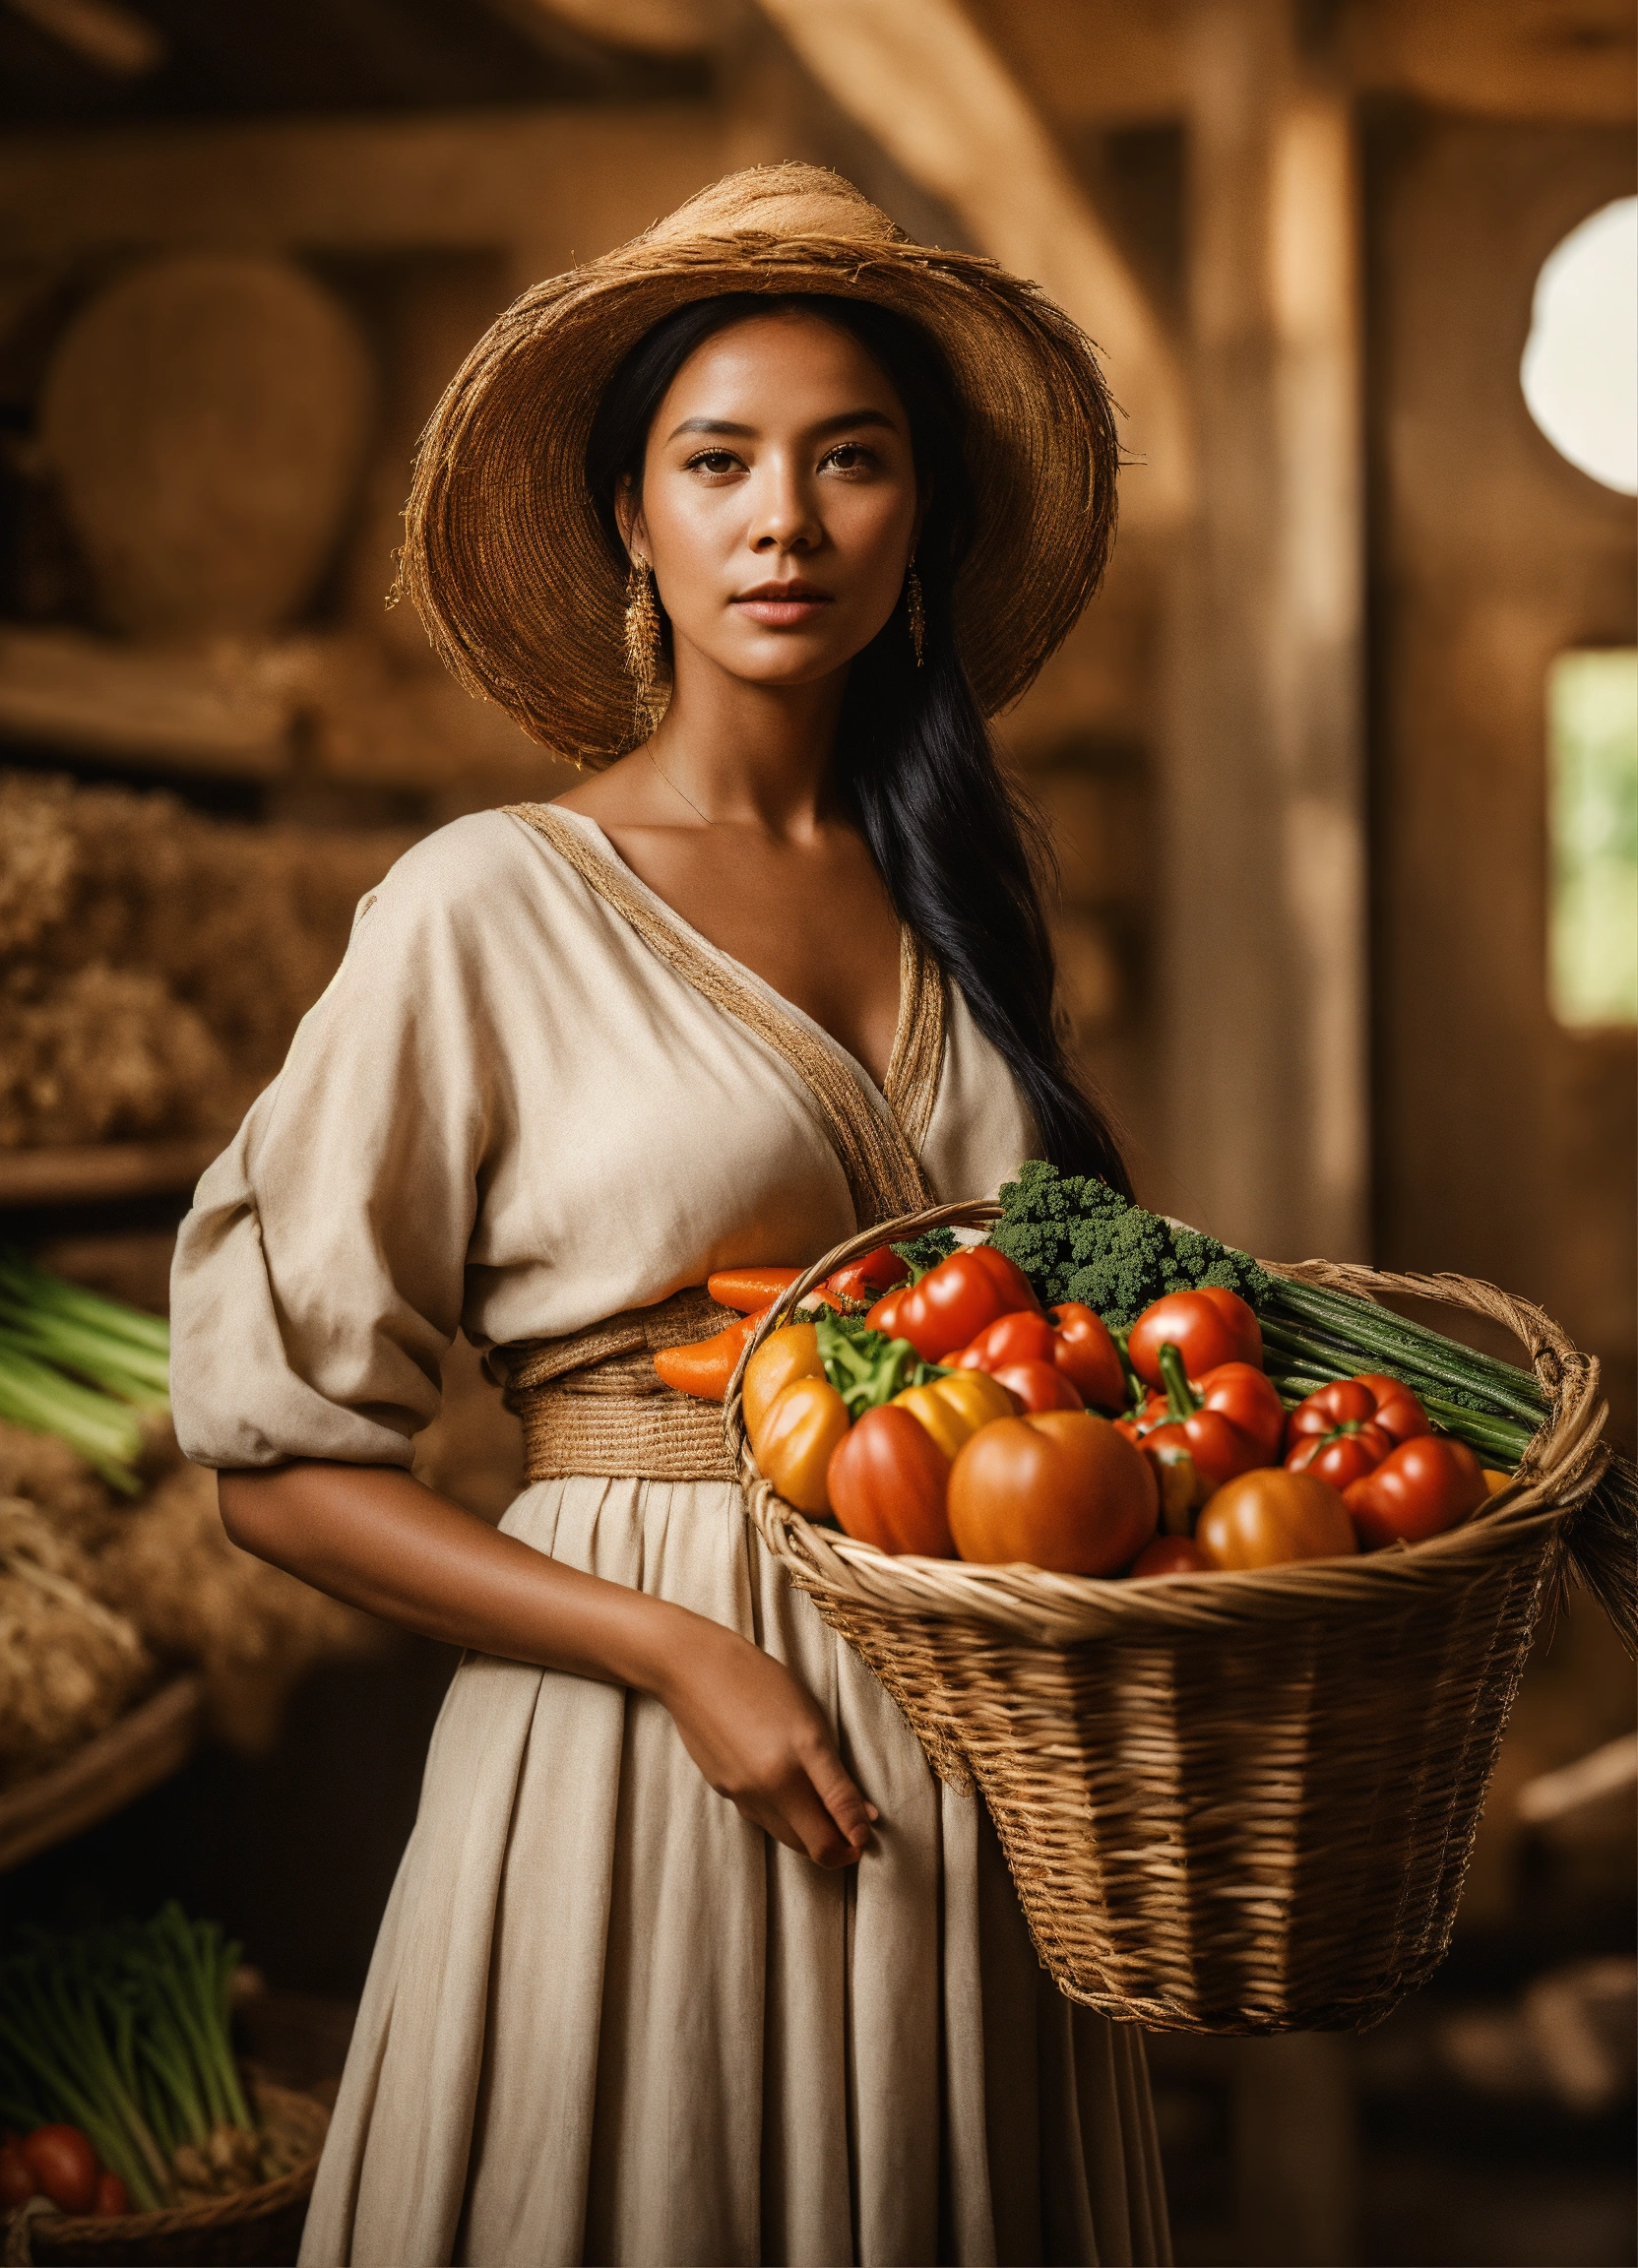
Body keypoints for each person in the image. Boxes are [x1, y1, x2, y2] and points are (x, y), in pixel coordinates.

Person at [169, 164, 1169, 2267]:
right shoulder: (485, 905)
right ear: (634, 514)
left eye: (849, 461)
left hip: (976, 1751)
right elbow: (273, 1468)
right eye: (716, 461)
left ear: (923, 522)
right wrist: (671, 1652)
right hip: (638, 1759)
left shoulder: (964, 905)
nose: (783, 520)